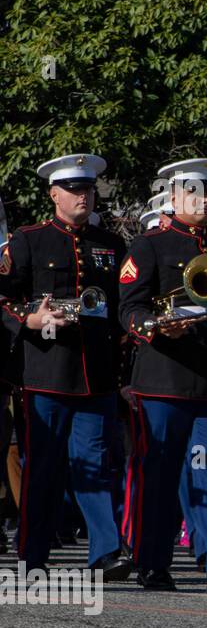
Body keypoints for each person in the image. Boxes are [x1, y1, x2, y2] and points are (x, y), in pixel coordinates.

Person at [119, 158, 207, 593]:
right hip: (166, 380)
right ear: (174, 197)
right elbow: (130, 309)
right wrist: (157, 326)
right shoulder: (150, 245)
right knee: (159, 475)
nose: (202, 201)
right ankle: (152, 561)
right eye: (194, 193)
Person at [0, 154, 127, 578]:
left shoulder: (110, 244)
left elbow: (123, 307)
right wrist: (29, 319)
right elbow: (2, 298)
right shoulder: (29, 239)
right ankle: (32, 552)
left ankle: (106, 552)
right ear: (54, 194)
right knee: (44, 466)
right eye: (74, 190)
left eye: (88, 189)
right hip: (45, 372)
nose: (83, 197)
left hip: (97, 374)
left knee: (95, 462)